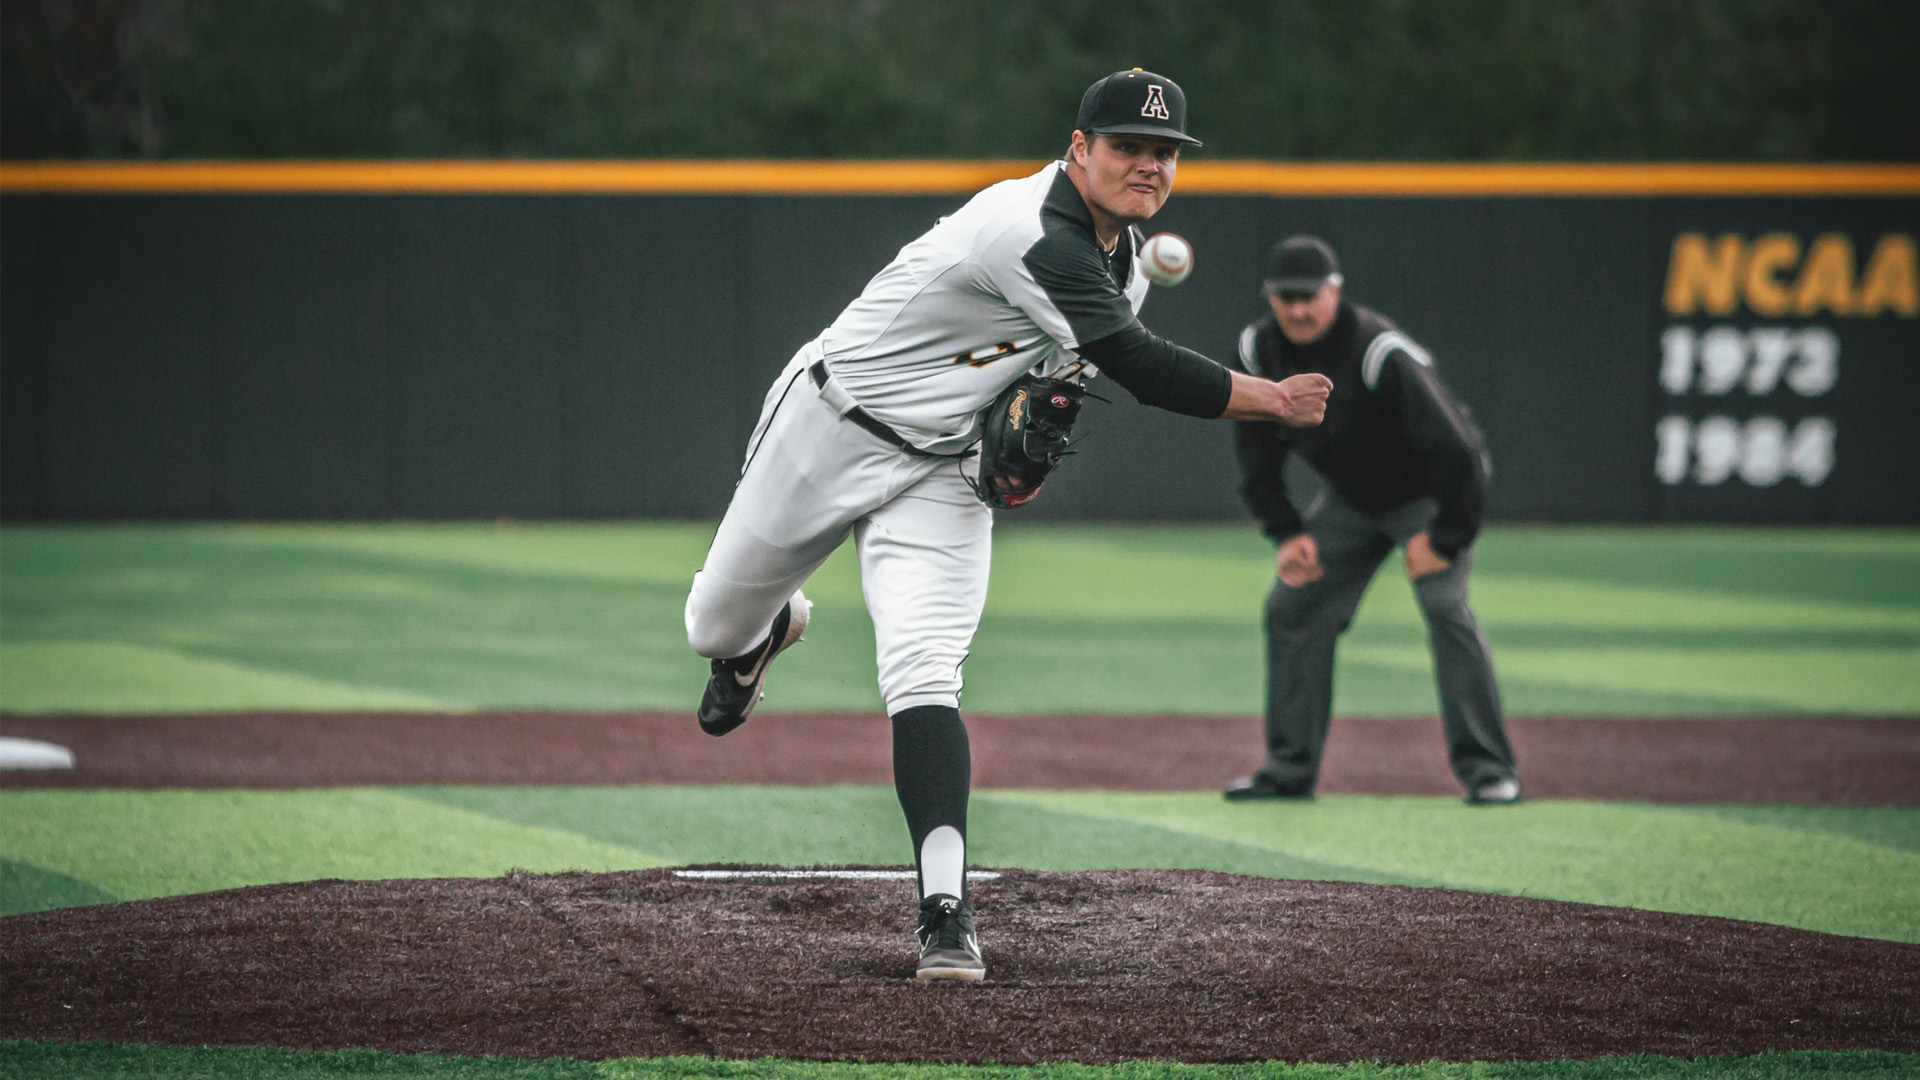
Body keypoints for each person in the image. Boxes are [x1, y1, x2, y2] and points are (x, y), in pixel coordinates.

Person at [684, 70, 1332, 982]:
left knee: (923, 670)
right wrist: (1270, 398)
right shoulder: (1025, 231)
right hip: (831, 427)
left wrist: (1037, 421)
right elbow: (1139, 367)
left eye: (1164, 153)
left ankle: (944, 913)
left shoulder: (1122, 262)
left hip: (943, 471)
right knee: (709, 626)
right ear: (1080, 150)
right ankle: (766, 631)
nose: (1148, 165)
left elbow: (1060, 379)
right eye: (1127, 147)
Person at [1221, 235, 1521, 806]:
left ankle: (1490, 771)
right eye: (1286, 297)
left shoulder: (1378, 351)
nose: (1299, 309)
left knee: (1444, 607)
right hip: (1353, 503)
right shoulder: (1259, 350)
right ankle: (1288, 771)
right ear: (1270, 298)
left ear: (1335, 293)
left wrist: (1445, 536)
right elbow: (1255, 456)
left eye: (1310, 296)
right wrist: (1286, 532)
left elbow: (1460, 453)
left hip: (1430, 496)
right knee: (1292, 606)